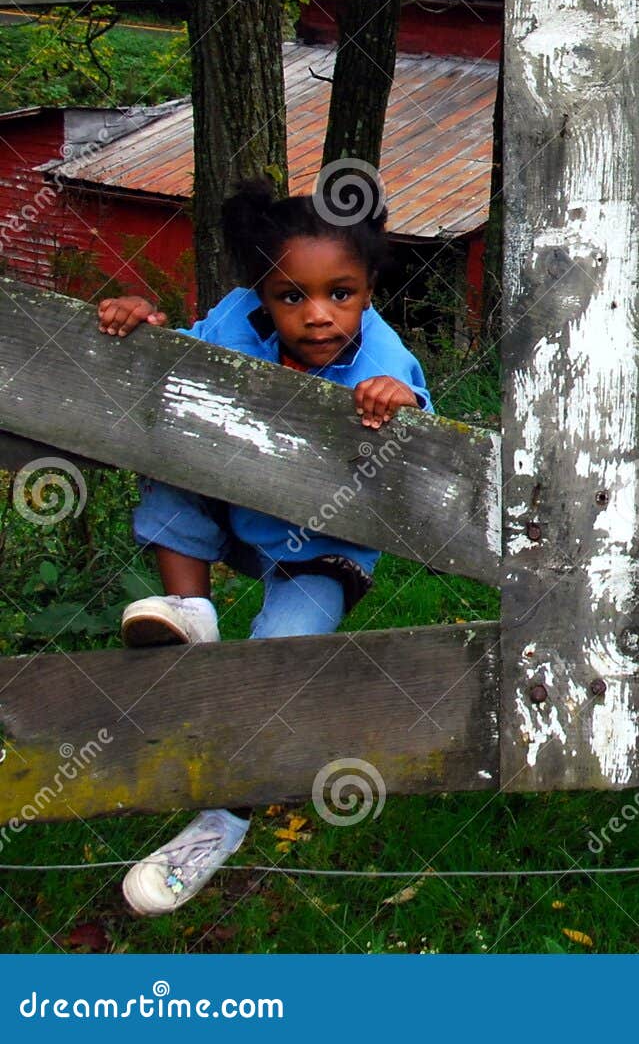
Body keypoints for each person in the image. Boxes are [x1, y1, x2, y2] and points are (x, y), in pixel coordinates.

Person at [96, 177, 430, 917]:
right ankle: (191, 608)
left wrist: (402, 405)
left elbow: (430, 441)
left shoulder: (382, 353)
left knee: (278, 661)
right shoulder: (231, 321)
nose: (317, 315)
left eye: (340, 293)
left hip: (323, 544)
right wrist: (141, 325)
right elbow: (174, 371)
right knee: (173, 459)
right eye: (291, 297)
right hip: (233, 505)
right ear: (260, 295)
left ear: (369, 290)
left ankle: (224, 818)